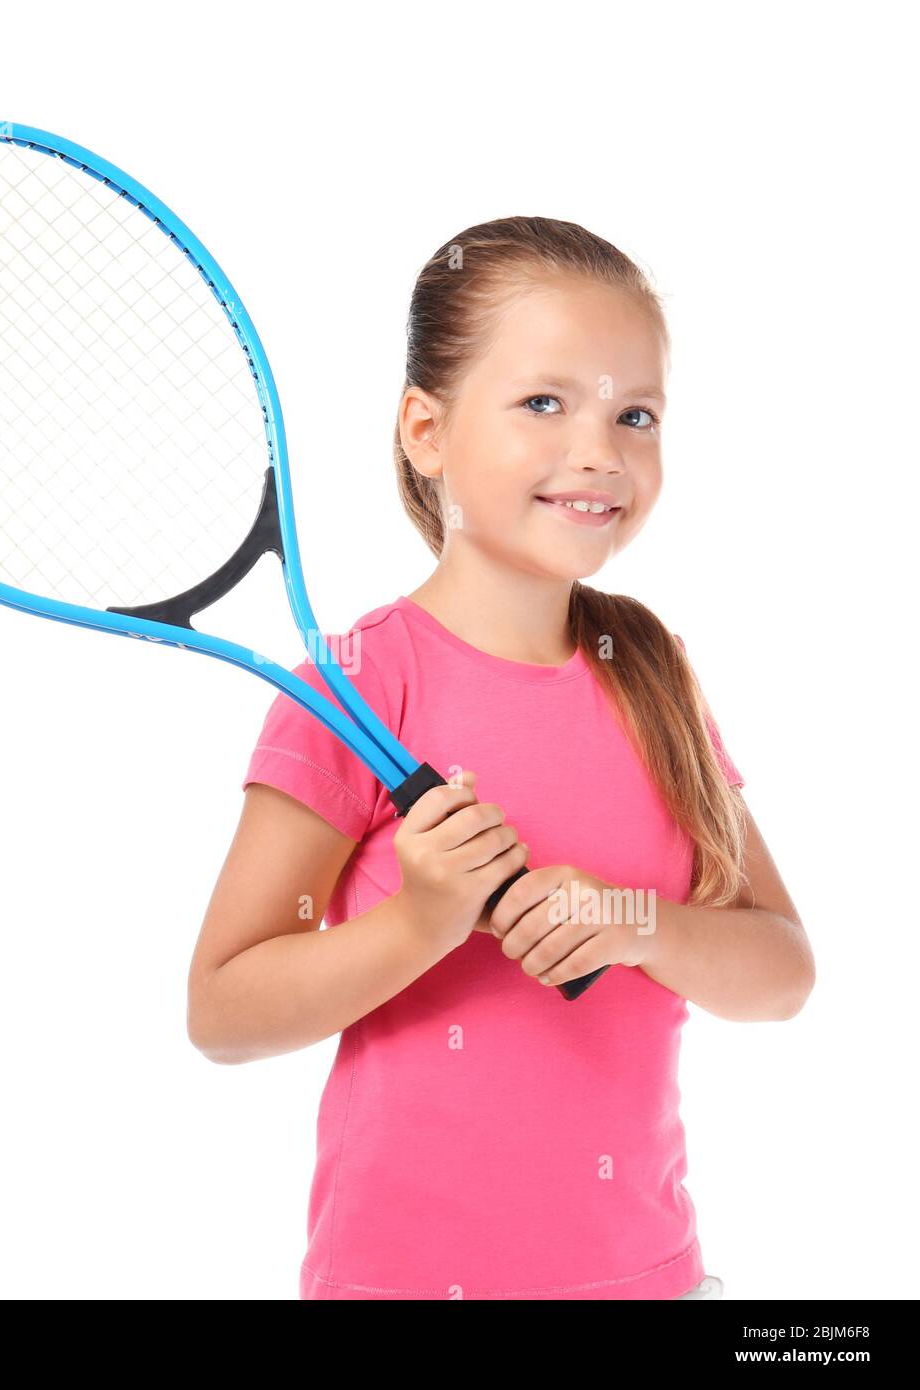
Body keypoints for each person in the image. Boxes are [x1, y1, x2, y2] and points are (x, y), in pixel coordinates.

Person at [187, 217, 815, 1300]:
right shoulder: (353, 688)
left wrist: (636, 924)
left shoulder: (650, 671)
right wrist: (419, 922)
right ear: (424, 432)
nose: (598, 451)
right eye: (542, 402)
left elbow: (781, 971)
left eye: (635, 414)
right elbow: (222, 1010)